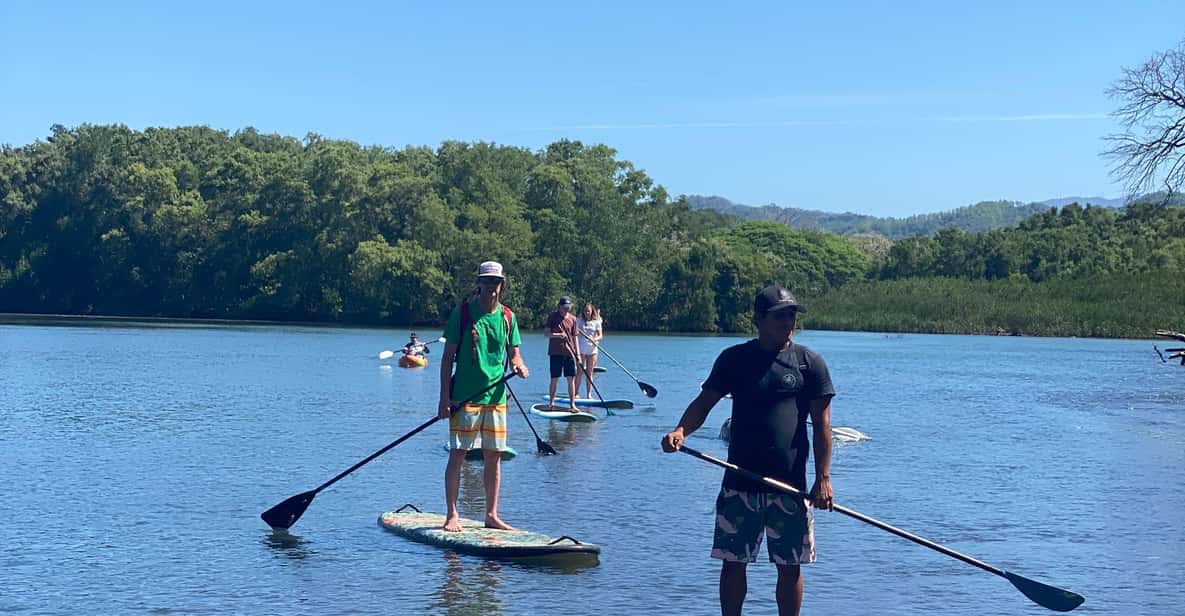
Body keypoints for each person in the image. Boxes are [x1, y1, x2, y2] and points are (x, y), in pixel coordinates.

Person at [661, 285, 835, 616]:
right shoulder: (734, 360)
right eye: (779, 315)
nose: (788, 321)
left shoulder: (808, 363)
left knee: (790, 567)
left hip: (790, 487)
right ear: (758, 319)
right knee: (732, 564)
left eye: (791, 315)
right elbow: (704, 403)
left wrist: (823, 479)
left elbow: (823, 426)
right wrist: (680, 431)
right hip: (740, 483)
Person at [438, 260, 529, 532]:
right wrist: (444, 399)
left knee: (493, 456)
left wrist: (518, 364)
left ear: (502, 285)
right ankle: (451, 514)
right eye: (486, 281)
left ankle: (491, 515)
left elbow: (514, 353)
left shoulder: (508, 317)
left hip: (496, 397)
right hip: (465, 396)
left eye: (495, 282)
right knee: (458, 454)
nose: (491, 287)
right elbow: (447, 359)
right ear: (479, 283)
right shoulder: (463, 313)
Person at [544, 296, 581, 412]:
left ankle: (572, 405)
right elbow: (546, 334)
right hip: (555, 352)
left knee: (571, 379)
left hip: (569, 353)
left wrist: (578, 354)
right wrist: (558, 335)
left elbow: (575, 338)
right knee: (554, 378)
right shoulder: (553, 317)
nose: (566, 309)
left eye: (568, 307)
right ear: (559, 307)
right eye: (564, 307)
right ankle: (551, 403)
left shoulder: (573, 319)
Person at [574, 303, 603, 399]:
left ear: (591, 312)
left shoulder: (596, 322)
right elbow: (574, 333)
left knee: (590, 373)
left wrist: (594, 339)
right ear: (583, 311)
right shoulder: (578, 321)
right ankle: (576, 394)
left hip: (592, 350)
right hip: (581, 350)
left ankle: (588, 394)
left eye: (588, 311)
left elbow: (600, 335)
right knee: (579, 372)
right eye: (585, 311)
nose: (587, 312)